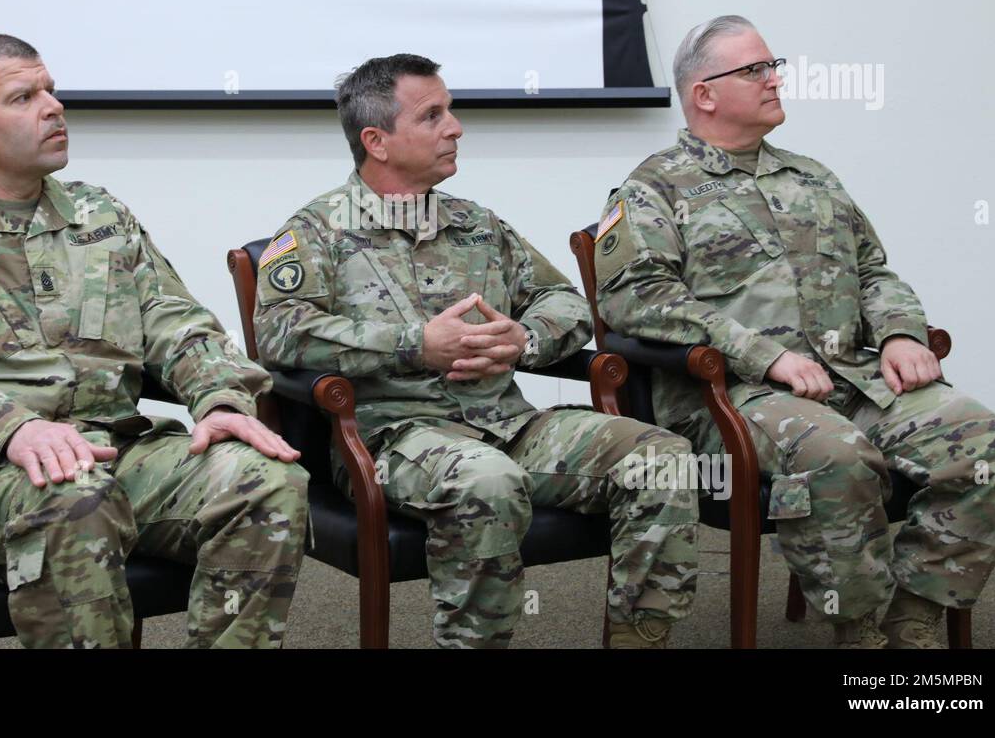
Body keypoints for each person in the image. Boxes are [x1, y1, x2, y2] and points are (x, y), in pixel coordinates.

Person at [0, 33, 308, 648]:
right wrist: (9, 427)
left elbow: (176, 321)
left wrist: (219, 400)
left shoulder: (99, 213)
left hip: (119, 449)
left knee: (268, 481)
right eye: (24, 96)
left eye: (51, 89)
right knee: (75, 499)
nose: (54, 106)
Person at [594, 15, 995, 648]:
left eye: (774, 66)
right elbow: (635, 296)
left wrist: (903, 333)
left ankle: (914, 613)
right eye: (754, 70)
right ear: (704, 95)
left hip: (852, 378)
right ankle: (857, 630)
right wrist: (761, 355)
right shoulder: (652, 188)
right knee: (837, 456)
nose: (775, 80)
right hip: (735, 398)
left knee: (993, 445)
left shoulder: (813, 178)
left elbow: (874, 271)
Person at [252, 53, 698, 648]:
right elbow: (281, 332)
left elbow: (563, 301)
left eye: (450, 111)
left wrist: (525, 339)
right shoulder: (316, 232)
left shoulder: (477, 225)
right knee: (487, 481)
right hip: (396, 439)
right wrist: (413, 345)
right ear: (376, 141)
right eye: (432, 115)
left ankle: (639, 639)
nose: (455, 127)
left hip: (508, 423)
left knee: (662, 458)